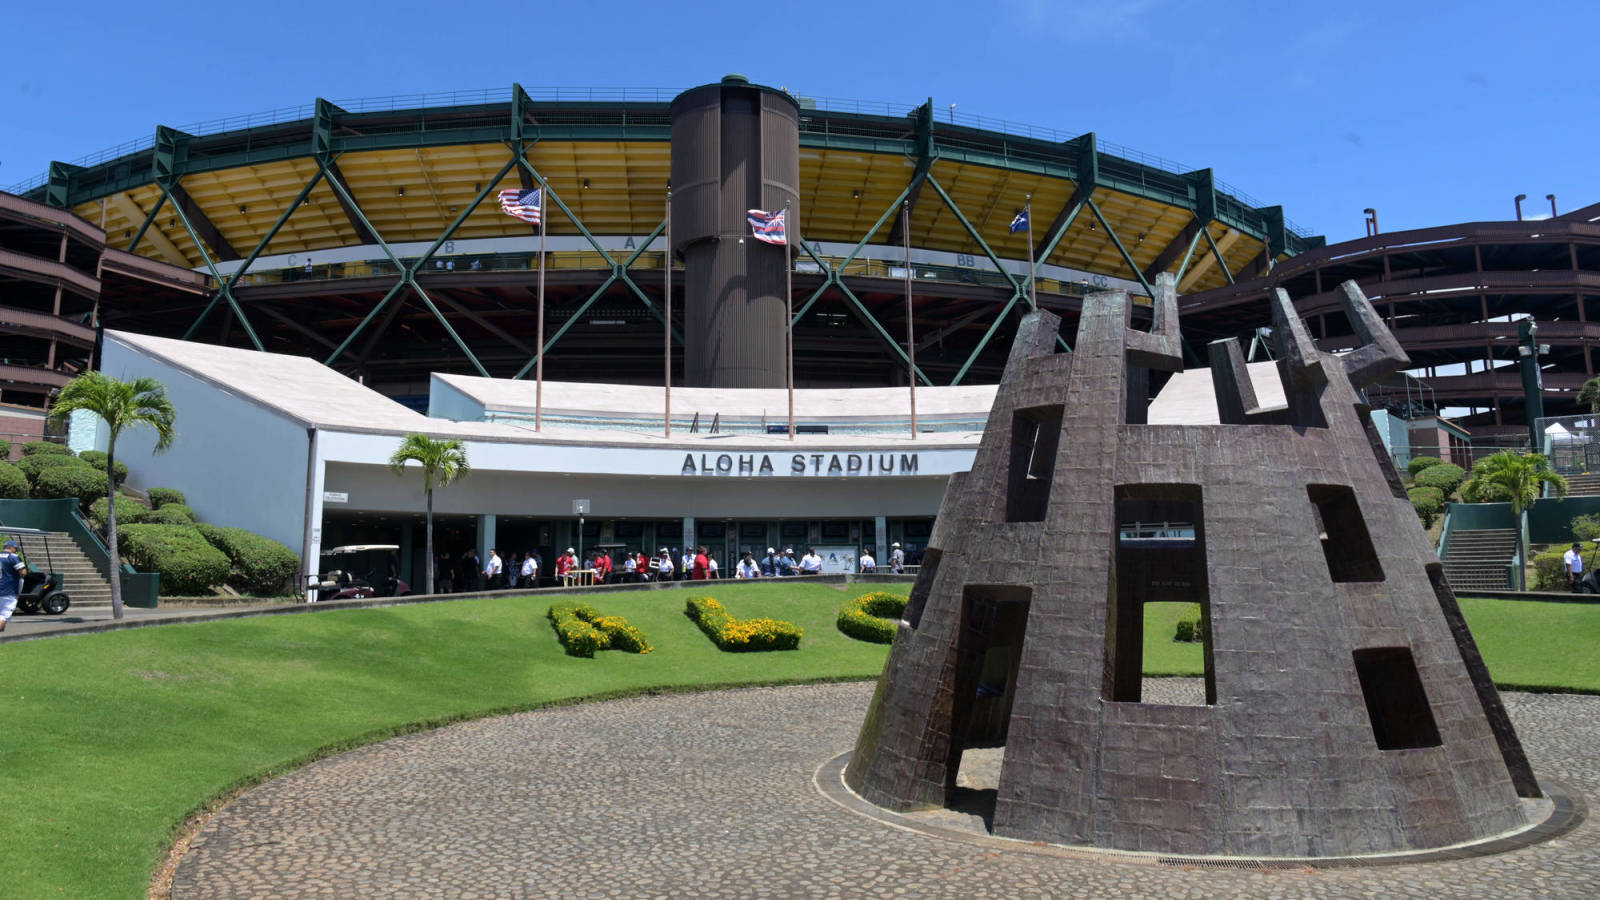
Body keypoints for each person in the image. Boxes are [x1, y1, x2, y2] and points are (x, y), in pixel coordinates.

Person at [0, 539, 27, 633]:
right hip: (8, 590)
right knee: (4, 615)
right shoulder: (13, 557)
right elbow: (23, 572)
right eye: (15, 549)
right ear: (12, 548)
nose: (15, 550)